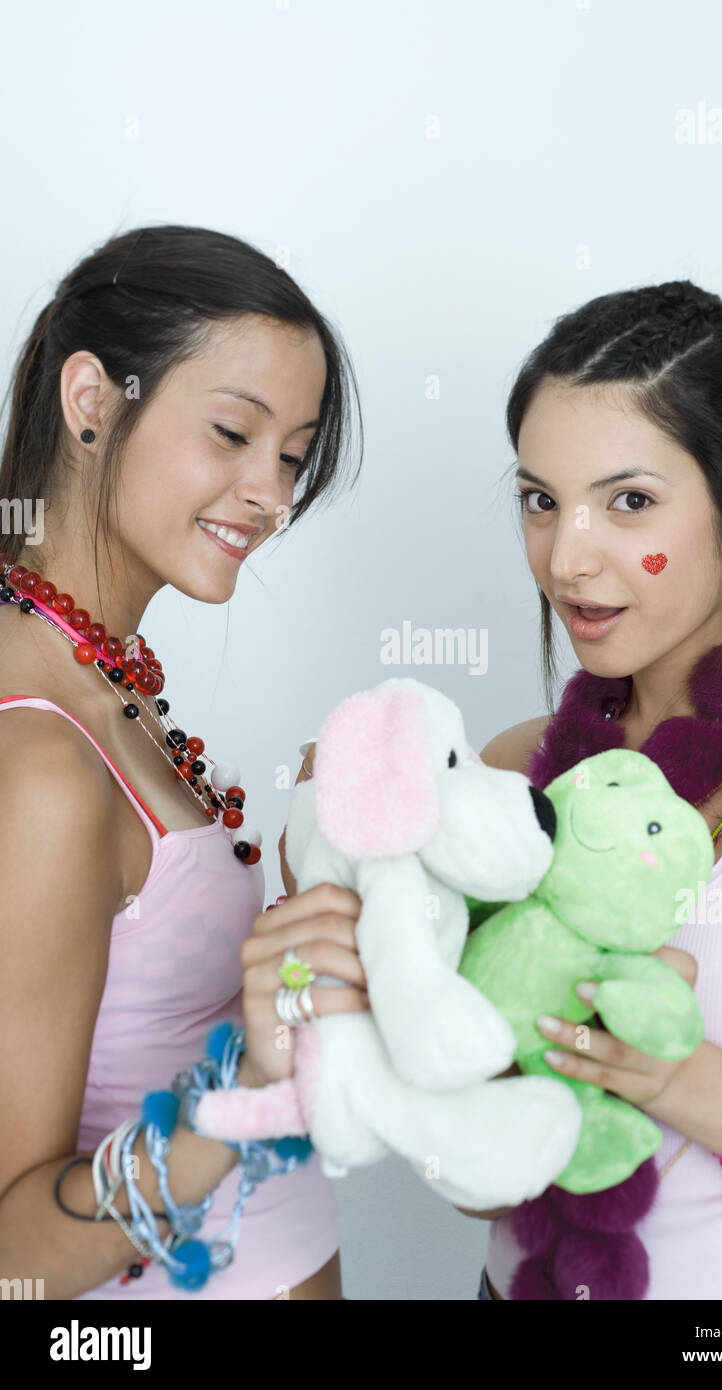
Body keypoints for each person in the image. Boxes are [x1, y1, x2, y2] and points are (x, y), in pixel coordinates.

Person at [468, 281, 722, 1299]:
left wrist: (681, 1080)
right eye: (539, 499)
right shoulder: (517, 775)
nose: (566, 555)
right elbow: (480, 1181)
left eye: (629, 500)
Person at [0, 223, 370, 1300]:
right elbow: (15, 1254)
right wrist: (248, 1086)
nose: (269, 492)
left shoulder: (101, 674)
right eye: (232, 433)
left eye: (292, 455)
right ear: (91, 401)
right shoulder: (39, 756)